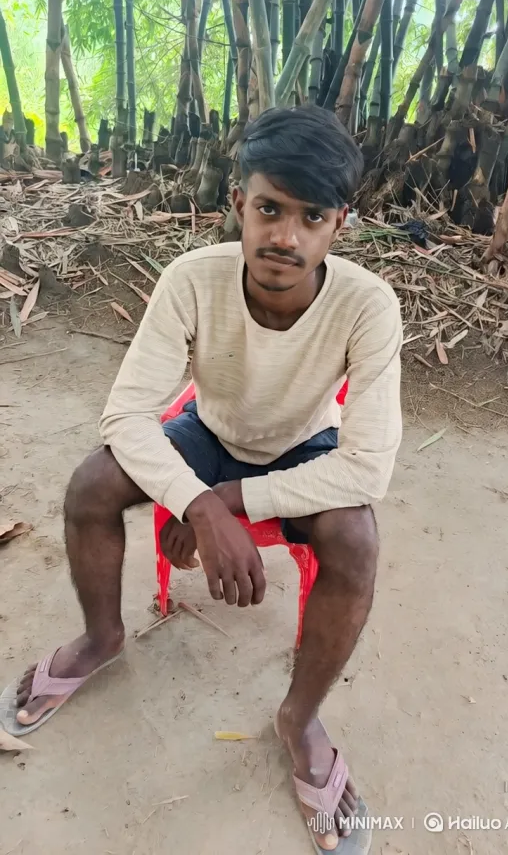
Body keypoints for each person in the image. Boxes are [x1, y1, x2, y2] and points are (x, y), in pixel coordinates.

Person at [4, 106, 402, 854]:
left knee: (355, 537)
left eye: (310, 216)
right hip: (209, 435)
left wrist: (232, 503)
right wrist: (197, 500)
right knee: (92, 485)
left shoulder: (368, 306)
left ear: (337, 226)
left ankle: (300, 718)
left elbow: (366, 466)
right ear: (238, 205)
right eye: (269, 208)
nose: (285, 236)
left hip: (299, 446)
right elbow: (125, 418)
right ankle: (101, 637)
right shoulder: (193, 278)